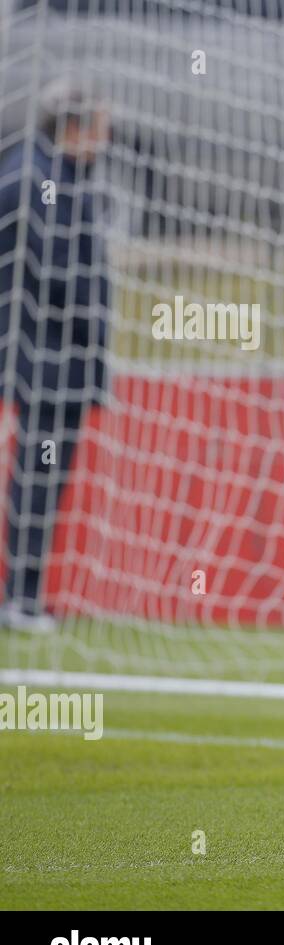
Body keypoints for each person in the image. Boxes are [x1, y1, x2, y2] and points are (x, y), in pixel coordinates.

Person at [0, 80, 110, 631]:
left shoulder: (46, 173)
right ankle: (21, 598)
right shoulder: (39, 180)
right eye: (99, 126)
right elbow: (58, 273)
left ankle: (25, 595)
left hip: (49, 361)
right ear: (75, 126)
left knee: (40, 478)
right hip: (45, 363)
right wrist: (93, 336)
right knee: (36, 478)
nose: (105, 139)